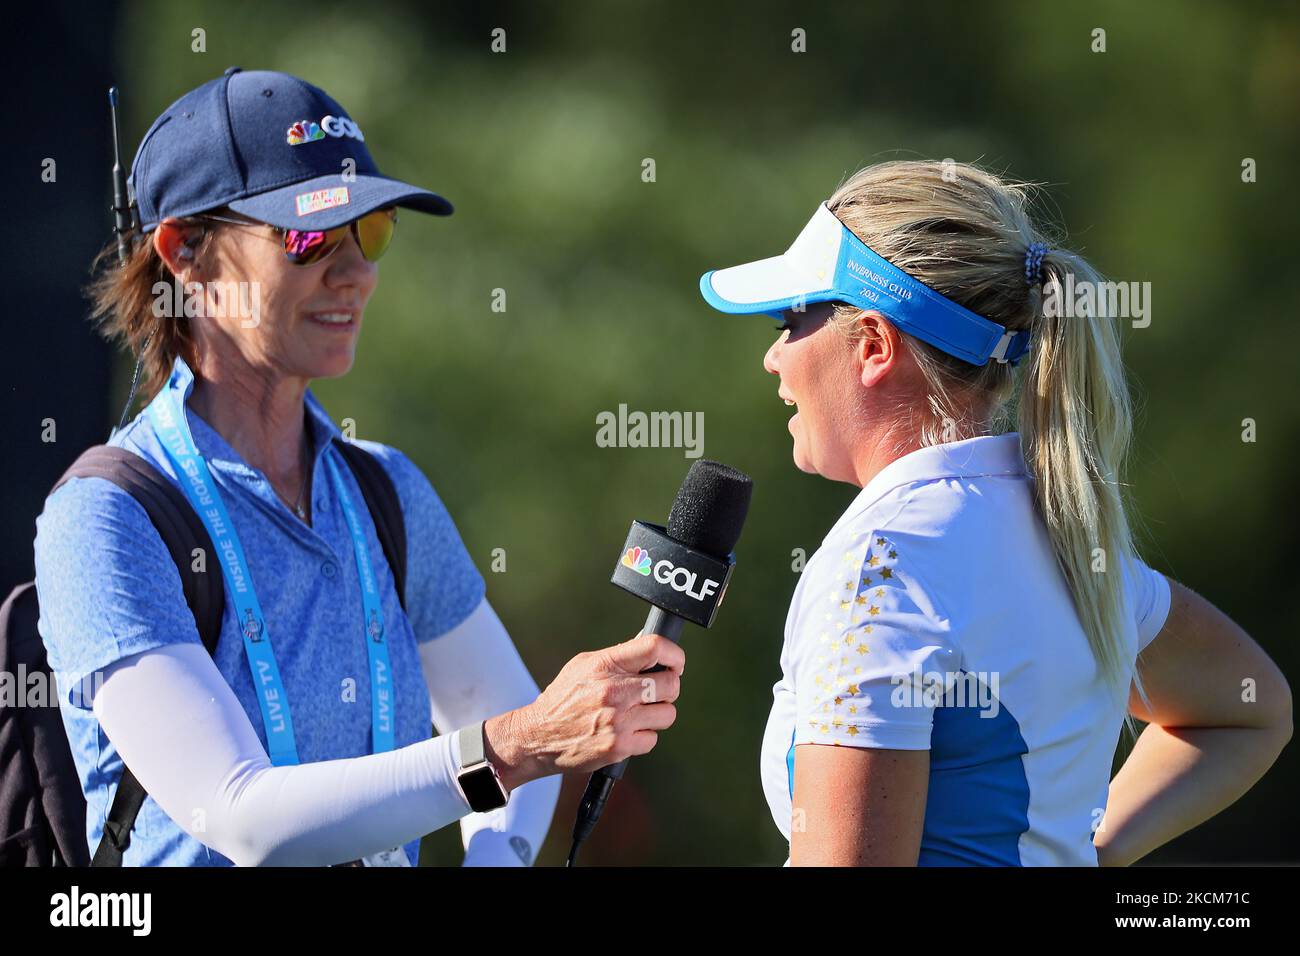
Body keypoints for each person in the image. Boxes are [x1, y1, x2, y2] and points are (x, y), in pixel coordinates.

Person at [32, 67, 683, 867]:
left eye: (370, 233)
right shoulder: (105, 514)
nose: (357, 273)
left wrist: (496, 859)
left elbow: (504, 710)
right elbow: (245, 821)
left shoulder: (386, 490)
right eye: (308, 237)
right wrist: (515, 748)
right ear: (182, 251)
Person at [697, 160, 1292, 866]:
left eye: (790, 319)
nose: (774, 358)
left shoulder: (879, 567)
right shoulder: (1062, 536)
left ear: (875, 345)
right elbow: (1247, 709)